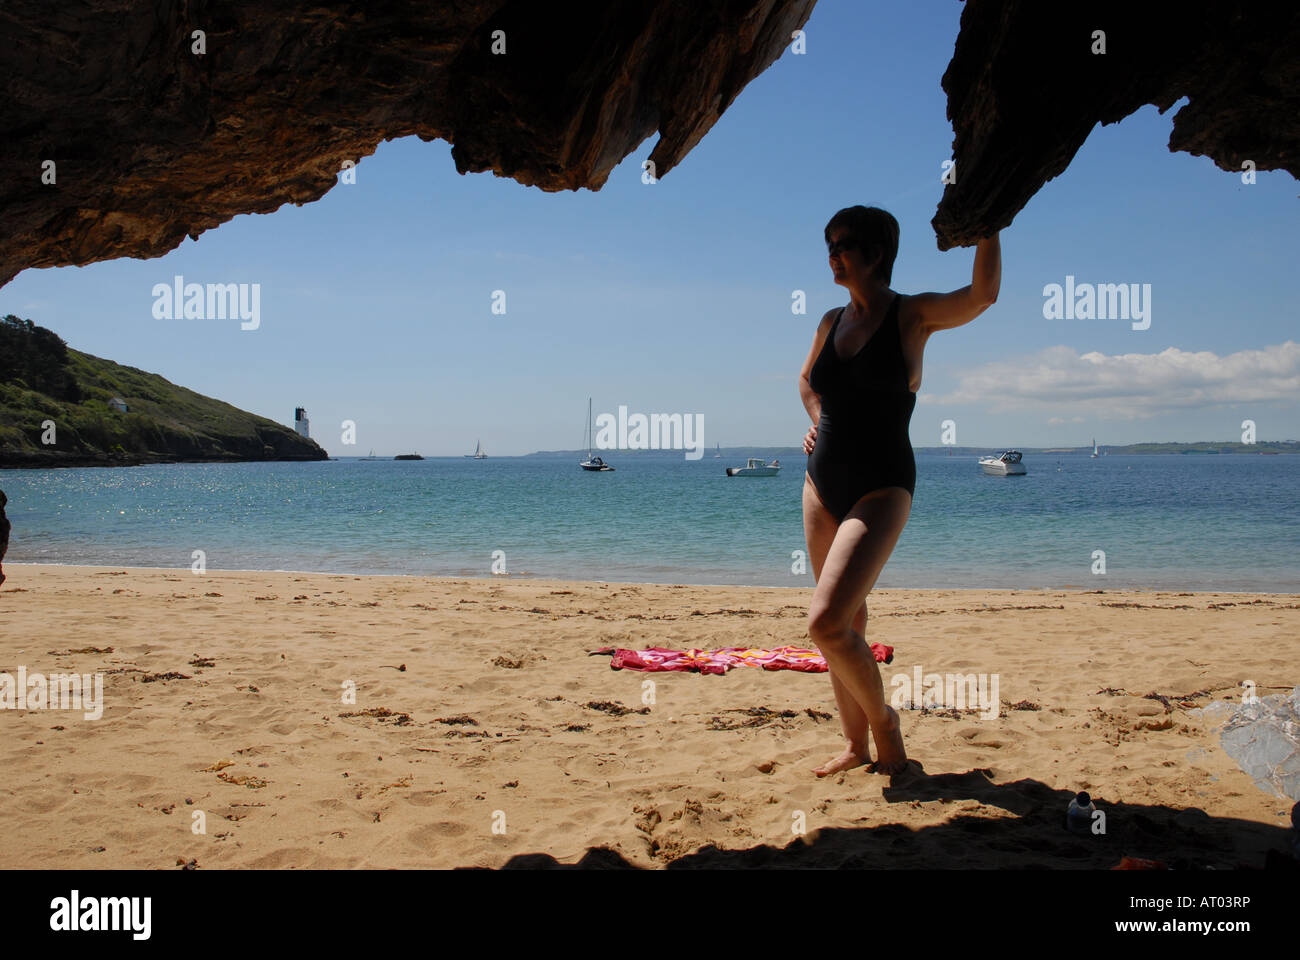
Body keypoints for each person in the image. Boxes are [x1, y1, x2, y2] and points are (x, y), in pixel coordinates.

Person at [798, 206, 1000, 776]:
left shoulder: (911, 316)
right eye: (828, 244)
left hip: (882, 486)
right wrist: (814, 415)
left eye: (842, 244)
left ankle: (886, 725)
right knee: (850, 625)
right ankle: (855, 747)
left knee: (826, 624)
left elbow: (982, 294)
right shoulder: (831, 319)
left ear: (876, 252)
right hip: (820, 483)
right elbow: (806, 380)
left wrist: (992, 215)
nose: (832, 254)